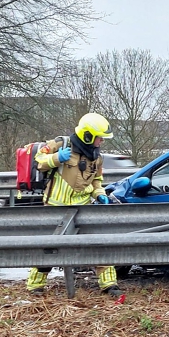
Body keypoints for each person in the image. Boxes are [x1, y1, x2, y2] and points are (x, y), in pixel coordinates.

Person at [26, 113, 122, 296]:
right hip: (55, 209)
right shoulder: (61, 144)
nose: (101, 141)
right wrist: (56, 158)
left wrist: (100, 194)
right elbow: (39, 161)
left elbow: (97, 181)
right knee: (49, 249)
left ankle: (109, 285)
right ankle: (35, 286)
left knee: (98, 244)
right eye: (99, 137)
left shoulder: (97, 158)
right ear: (88, 135)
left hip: (83, 208)